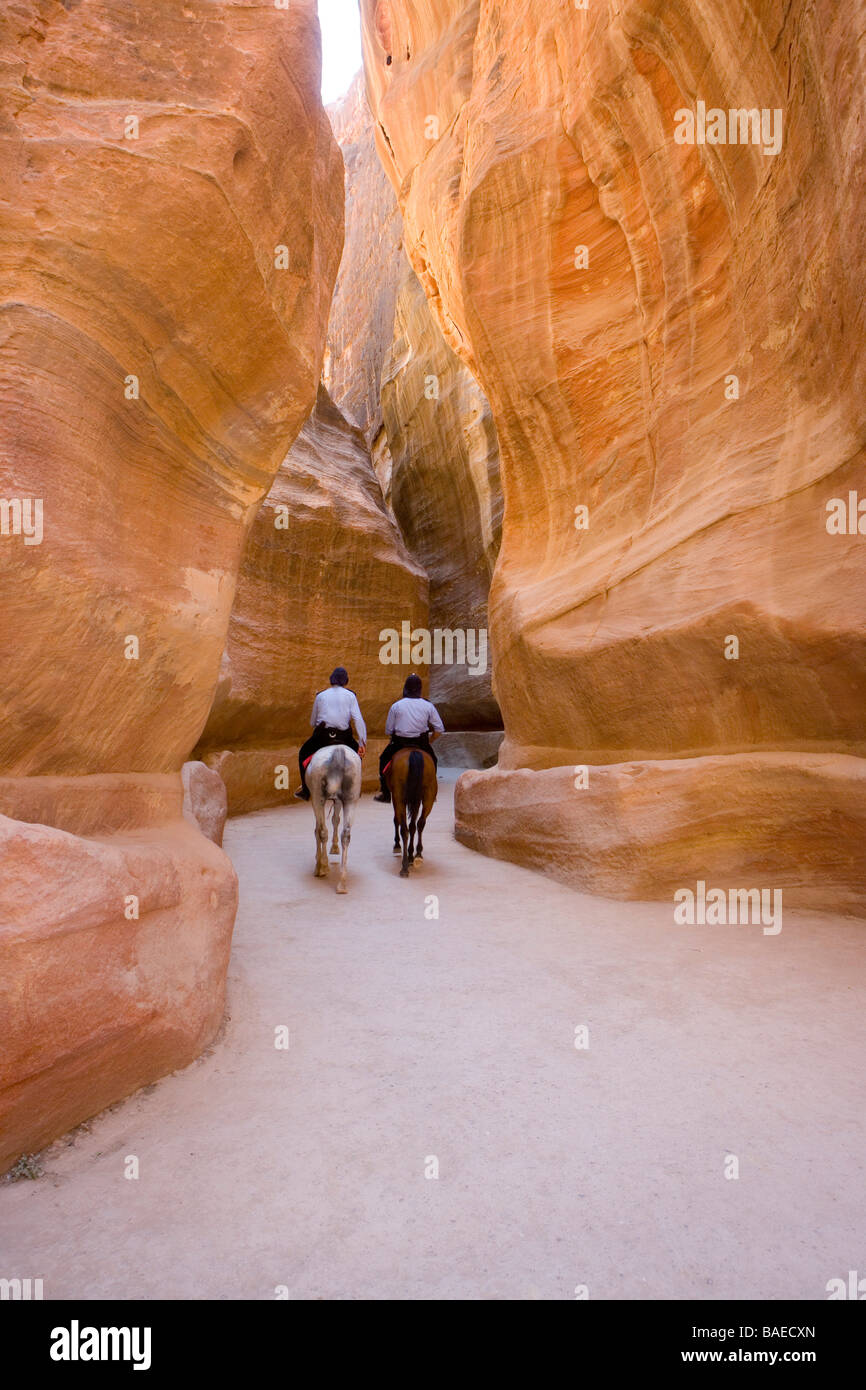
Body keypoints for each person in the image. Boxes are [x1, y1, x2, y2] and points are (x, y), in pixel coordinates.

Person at [294, 667, 367, 800]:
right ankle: (355, 787)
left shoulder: (320, 695)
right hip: (344, 737)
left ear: (331, 679)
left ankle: (305, 790)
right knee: (357, 758)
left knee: (303, 753)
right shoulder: (351, 696)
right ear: (346, 681)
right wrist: (362, 743)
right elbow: (358, 720)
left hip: (322, 737)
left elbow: (313, 722)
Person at [374, 673, 444, 803]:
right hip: (421, 742)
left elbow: (388, 730)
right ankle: (431, 791)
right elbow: (439, 729)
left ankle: (385, 792)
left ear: (405, 687)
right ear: (420, 688)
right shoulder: (428, 706)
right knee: (433, 760)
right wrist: (430, 740)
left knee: (383, 759)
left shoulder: (396, 706)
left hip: (400, 743)